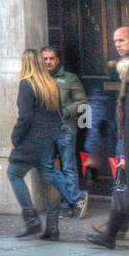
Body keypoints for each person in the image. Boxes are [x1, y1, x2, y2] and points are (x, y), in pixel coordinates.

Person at [7, 48, 85, 240]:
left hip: (31, 140)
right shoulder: (50, 83)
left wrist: (16, 137)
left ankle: (32, 218)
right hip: (49, 138)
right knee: (48, 178)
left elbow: (25, 117)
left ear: (25, 63)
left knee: (14, 173)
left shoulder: (27, 84)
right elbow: (57, 112)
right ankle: (52, 226)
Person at [89, 26, 129, 249]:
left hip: (127, 147)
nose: (117, 44)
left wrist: (125, 153)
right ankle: (113, 231)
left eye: (121, 40)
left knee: (122, 188)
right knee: (121, 189)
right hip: (125, 144)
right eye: (114, 40)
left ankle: (112, 231)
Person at [43, 46, 87, 207]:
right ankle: (74, 197)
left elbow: (82, 101)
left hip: (65, 128)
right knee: (46, 166)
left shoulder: (70, 78)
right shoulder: (38, 79)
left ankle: (70, 205)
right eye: (45, 58)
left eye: (51, 58)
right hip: (45, 129)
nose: (48, 62)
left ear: (57, 60)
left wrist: (66, 112)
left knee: (69, 167)